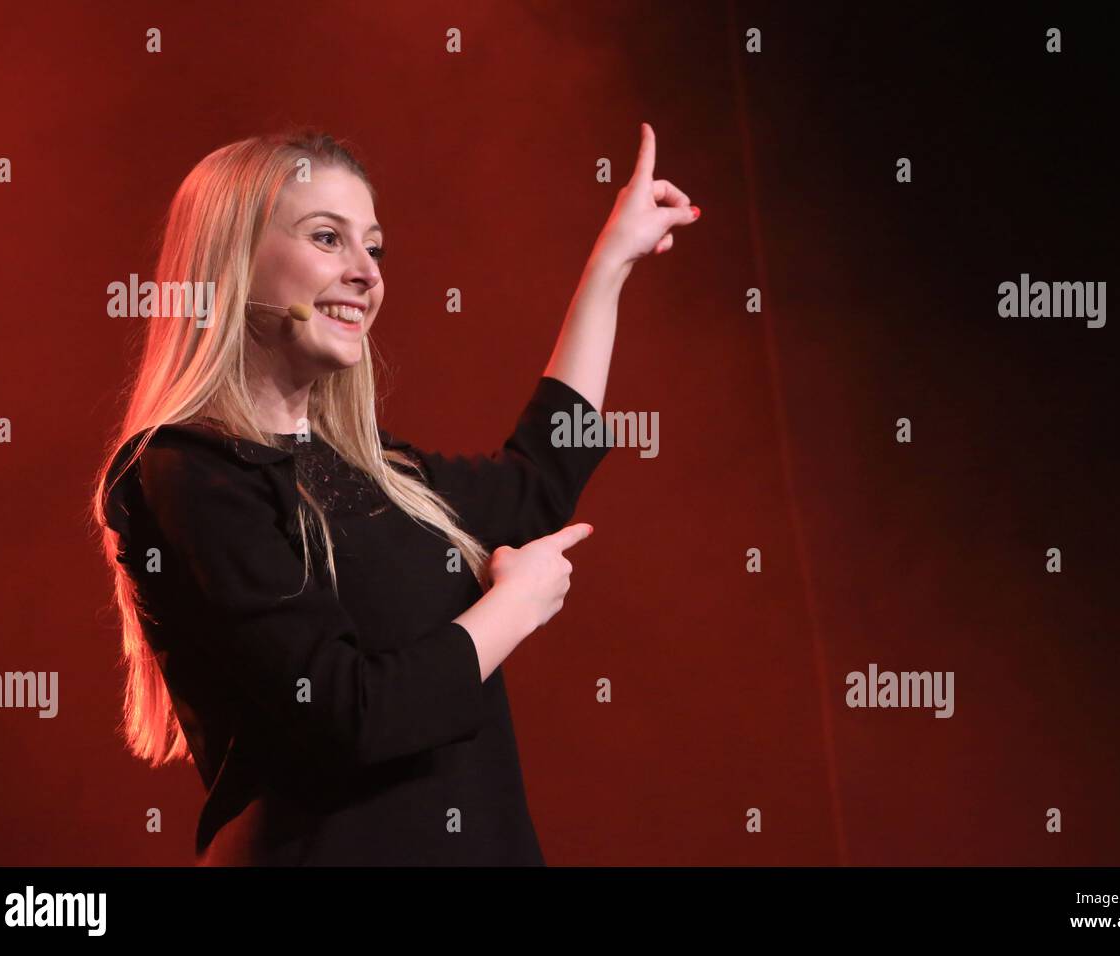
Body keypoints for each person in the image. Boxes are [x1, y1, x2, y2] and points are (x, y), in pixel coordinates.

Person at [91, 125, 698, 865]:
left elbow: (538, 481)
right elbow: (344, 711)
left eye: (373, 248)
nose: (366, 273)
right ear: (234, 263)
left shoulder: (380, 476)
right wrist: (513, 608)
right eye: (327, 239)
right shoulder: (189, 471)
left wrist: (611, 267)